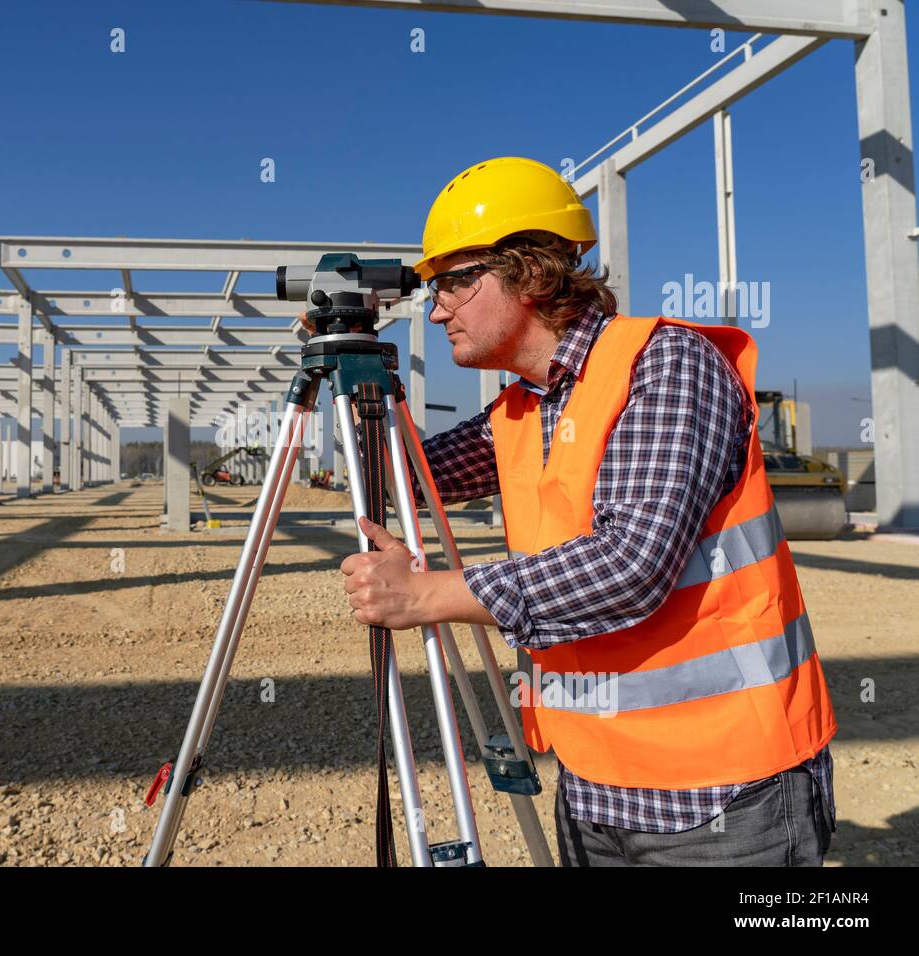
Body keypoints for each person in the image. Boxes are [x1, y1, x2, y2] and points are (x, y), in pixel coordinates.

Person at [336, 156, 837, 866]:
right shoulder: (519, 411)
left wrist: (429, 594)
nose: (438, 309)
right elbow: (397, 475)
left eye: (453, 281)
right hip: (594, 784)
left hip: (723, 792)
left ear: (530, 272)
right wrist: (344, 364)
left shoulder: (665, 364)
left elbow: (631, 564)